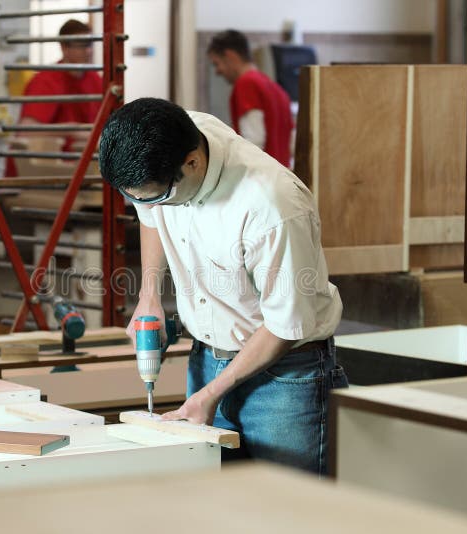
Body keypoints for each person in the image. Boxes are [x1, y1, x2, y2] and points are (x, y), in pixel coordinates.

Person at [98, 98, 347, 475]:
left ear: (192, 163)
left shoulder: (272, 206)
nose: (145, 205)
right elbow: (150, 212)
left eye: (159, 195)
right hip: (206, 360)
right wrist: (149, 297)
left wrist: (211, 394)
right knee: (217, 505)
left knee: (289, 508)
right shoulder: (171, 137)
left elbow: (284, 325)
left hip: (284, 377)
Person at [5, 19, 102, 176]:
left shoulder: (96, 80)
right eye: (81, 45)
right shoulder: (46, 81)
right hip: (39, 175)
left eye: (90, 44)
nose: (88, 51)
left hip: (78, 170)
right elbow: (26, 131)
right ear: (64, 47)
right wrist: (72, 129)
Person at [208, 29, 293, 167]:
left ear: (230, 56)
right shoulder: (275, 88)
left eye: (217, 63)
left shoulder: (246, 83)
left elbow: (253, 142)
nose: (217, 72)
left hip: (262, 180)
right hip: (282, 177)